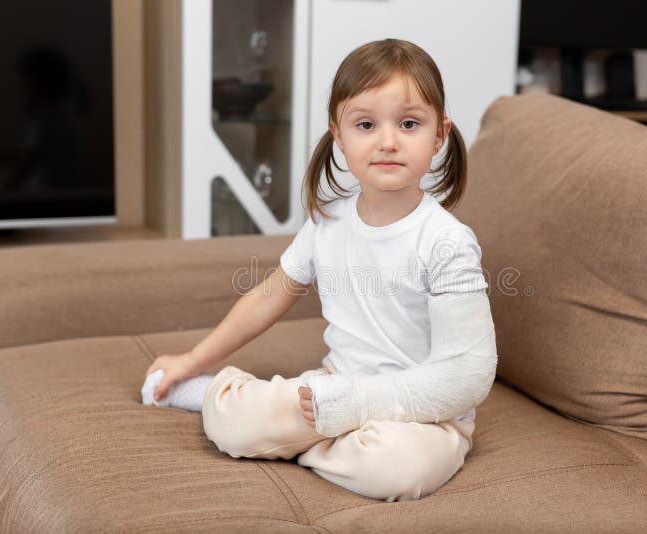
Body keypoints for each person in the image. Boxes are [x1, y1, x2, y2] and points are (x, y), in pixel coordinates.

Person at [141, 38, 498, 502]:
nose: (388, 141)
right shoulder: (328, 223)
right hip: (332, 389)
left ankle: (305, 441)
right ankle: (211, 393)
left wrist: (356, 405)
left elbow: (467, 376)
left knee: (395, 470)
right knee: (233, 424)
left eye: (409, 123)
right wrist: (191, 361)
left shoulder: (447, 242)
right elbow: (268, 297)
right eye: (365, 124)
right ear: (338, 135)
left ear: (439, 135)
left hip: (427, 416)